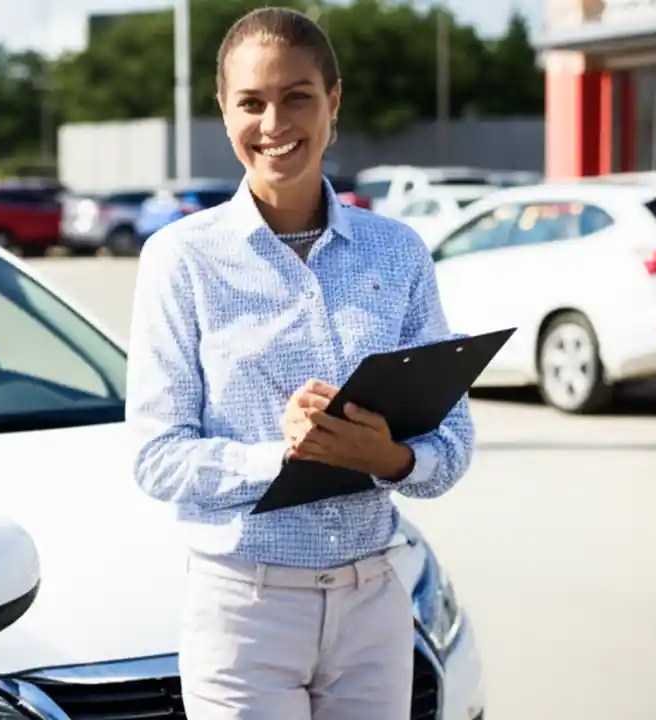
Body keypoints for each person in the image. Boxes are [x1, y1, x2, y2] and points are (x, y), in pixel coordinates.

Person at [124, 7, 475, 720]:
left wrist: (390, 458)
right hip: (245, 610)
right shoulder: (181, 258)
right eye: (251, 101)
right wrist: (283, 454)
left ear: (333, 101)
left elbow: (453, 444)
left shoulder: (396, 250)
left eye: (297, 96)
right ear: (223, 110)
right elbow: (157, 458)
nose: (274, 122)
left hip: (375, 602)